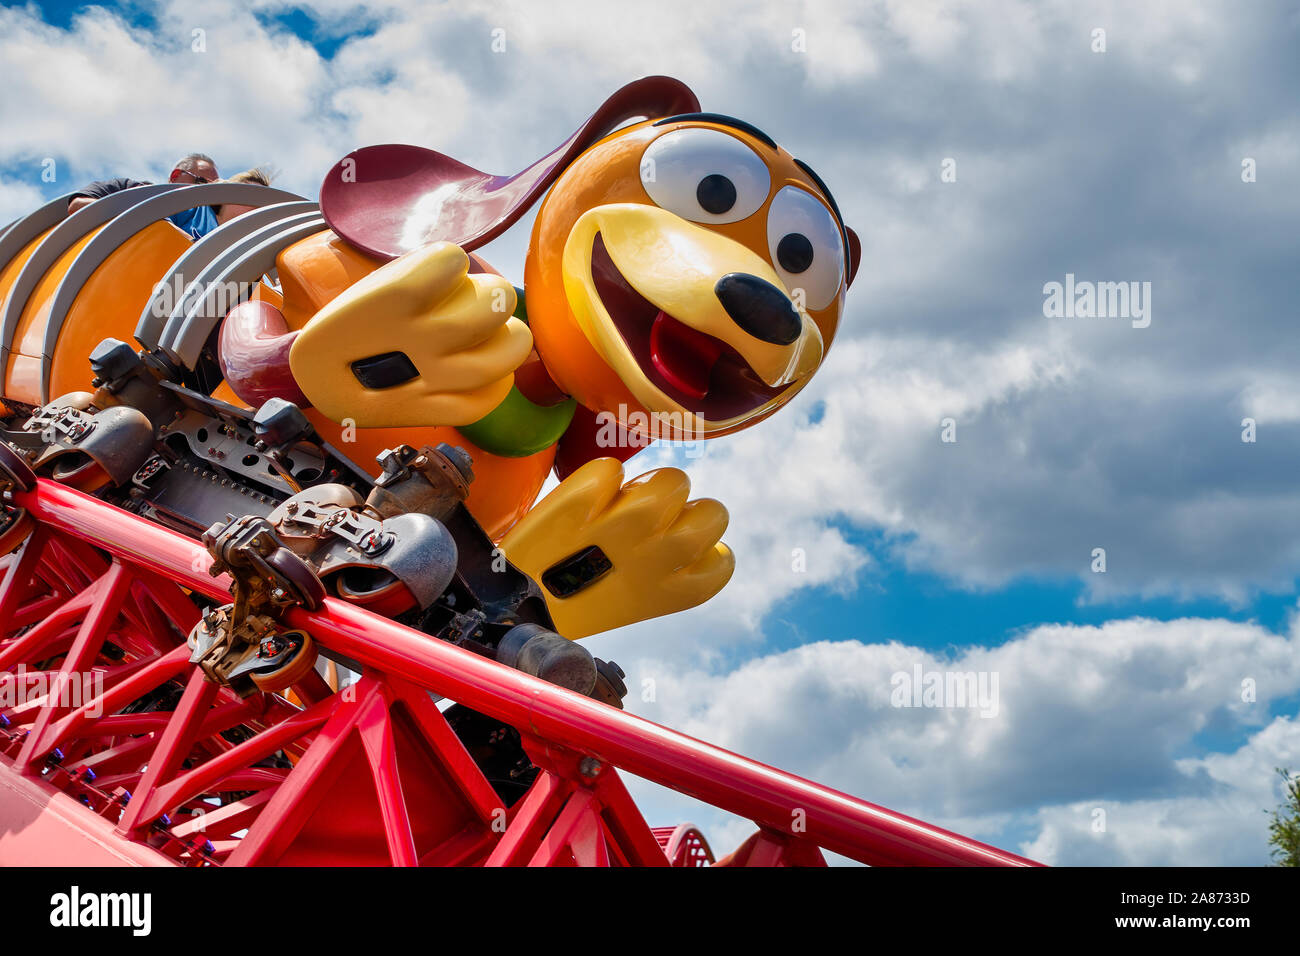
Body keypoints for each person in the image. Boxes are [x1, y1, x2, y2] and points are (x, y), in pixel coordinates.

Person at [66, 153, 222, 239]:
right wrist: (147, 219)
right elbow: (78, 206)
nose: (205, 191)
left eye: (212, 188)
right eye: (201, 182)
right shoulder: (133, 189)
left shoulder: (215, 219)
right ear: (175, 176)